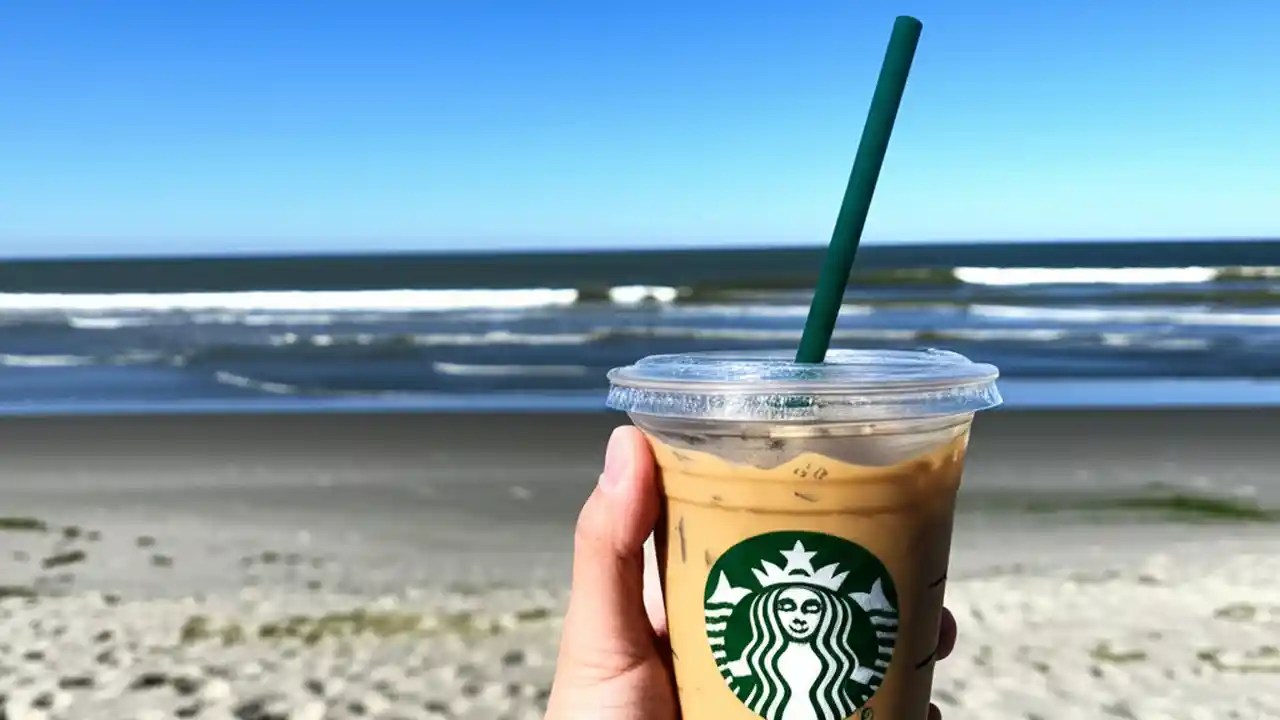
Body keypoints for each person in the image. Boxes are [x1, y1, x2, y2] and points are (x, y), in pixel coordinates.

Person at [545, 426, 958, 720]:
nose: (798, 616)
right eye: (787, 606)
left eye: (811, 606)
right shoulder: (754, 668)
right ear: (767, 613)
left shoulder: (844, 670)